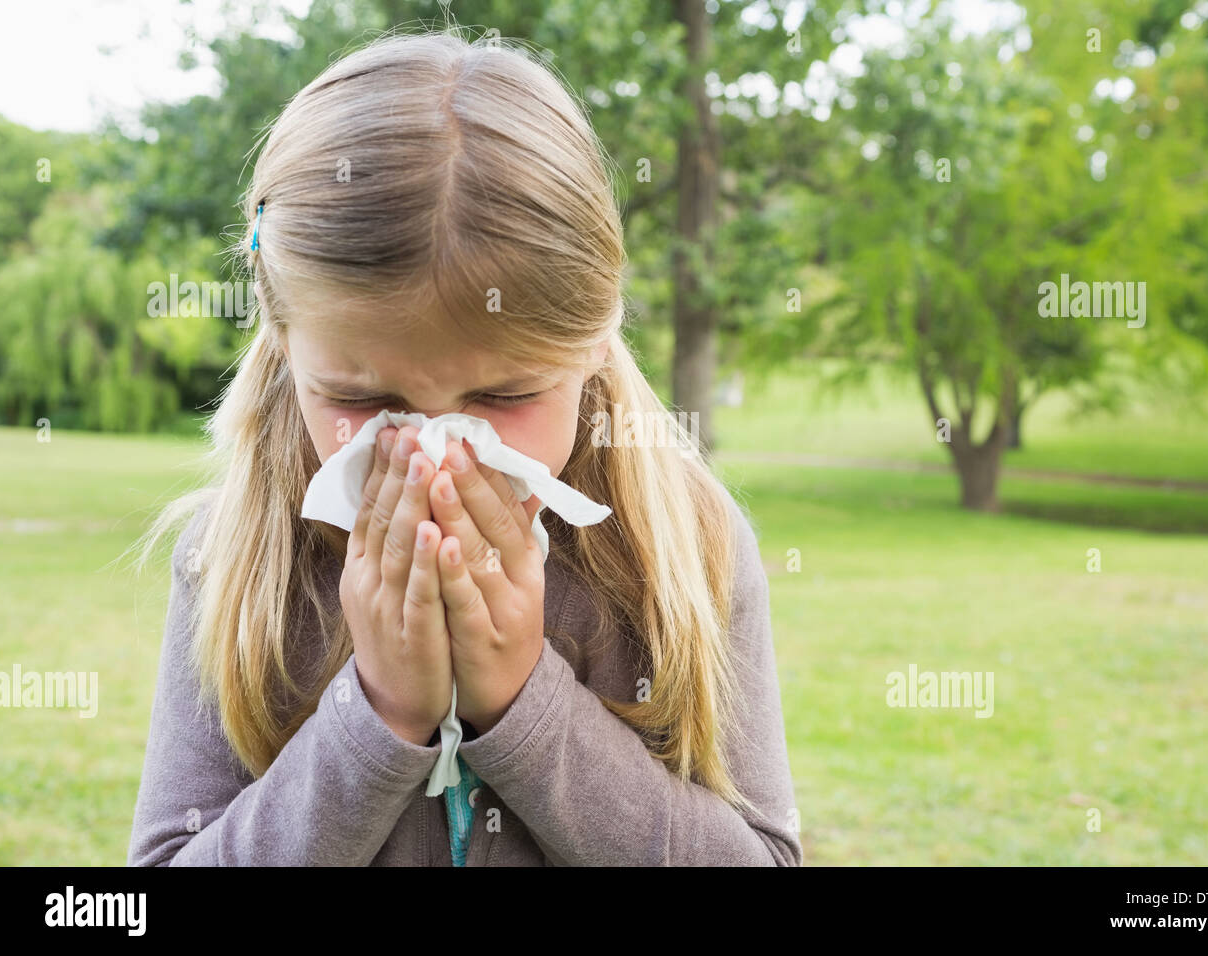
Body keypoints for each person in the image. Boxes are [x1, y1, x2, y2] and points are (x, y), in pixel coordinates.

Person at [125, 27, 800, 866]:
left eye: (504, 397)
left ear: (595, 337)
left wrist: (523, 700)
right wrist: (379, 715)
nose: (435, 454)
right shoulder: (231, 557)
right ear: (285, 341)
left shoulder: (690, 543)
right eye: (363, 398)